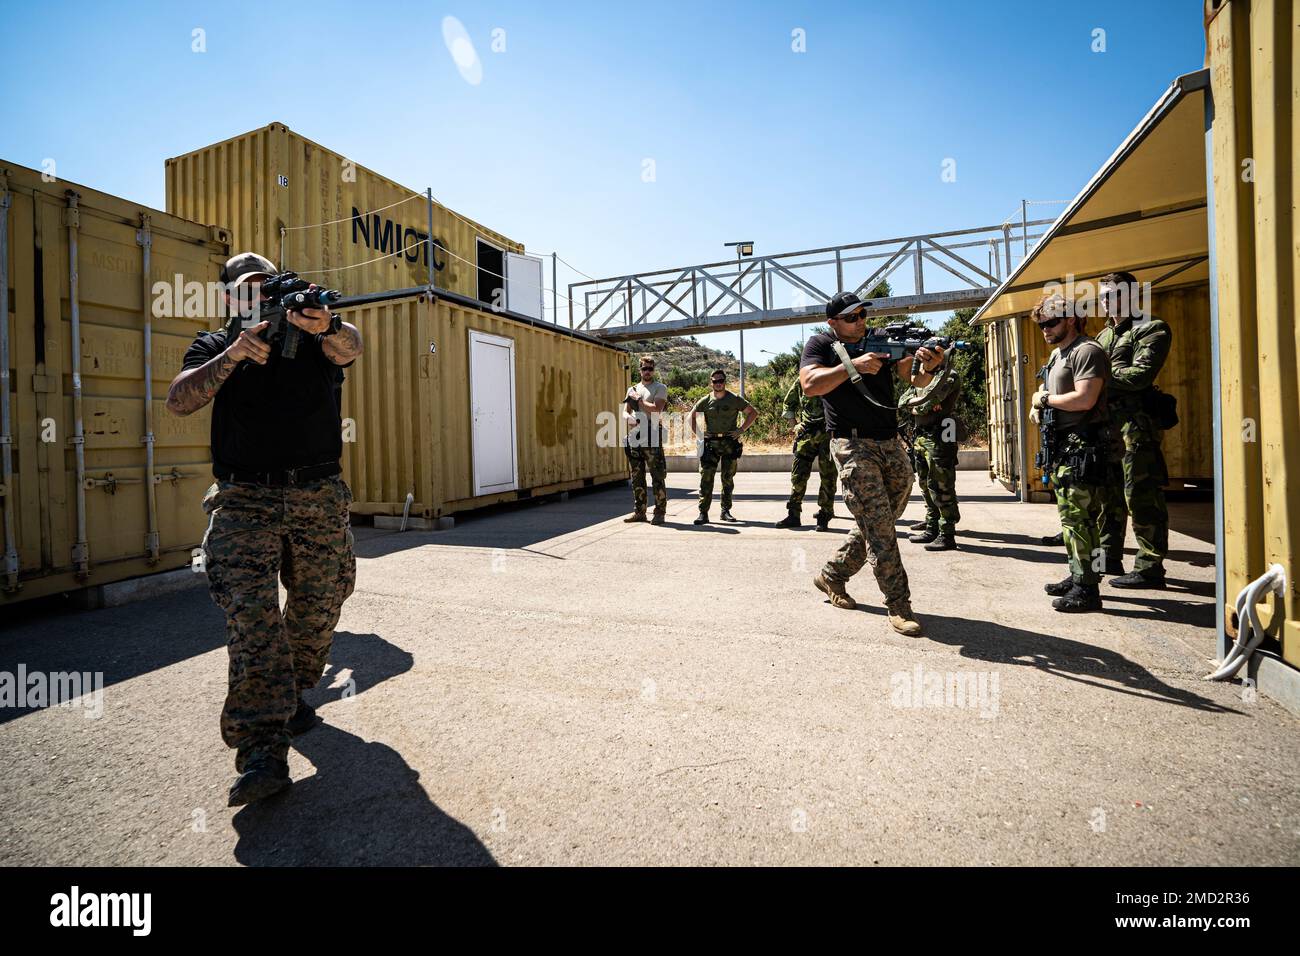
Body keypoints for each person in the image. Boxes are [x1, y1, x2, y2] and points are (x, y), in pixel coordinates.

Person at [166, 251, 364, 807]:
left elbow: (351, 348)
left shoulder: (314, 340)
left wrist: (329, 324)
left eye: (266, 286)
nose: (259, 296)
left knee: (320, 607)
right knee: (252, 619)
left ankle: (290, 690)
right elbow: (179, 400)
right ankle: (261, 750)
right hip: (243, 497)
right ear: (230, 298)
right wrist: (235, 353)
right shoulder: (213, 345)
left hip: (317, 495)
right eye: (247, 288)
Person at [799, 291, 940, 636]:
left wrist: (929, 366)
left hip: (890, 442)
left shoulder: (880, 340)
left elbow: (915, 379)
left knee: (878, 518)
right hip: (851, 443)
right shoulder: (820, 344)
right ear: (832, 322)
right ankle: (898, 604)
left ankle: (832, 574)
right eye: (852, 317)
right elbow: (810, 385)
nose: (860, 321)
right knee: (879, 525)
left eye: (862, 314)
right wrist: (853, 367)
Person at [1029, 292, 1110, 613]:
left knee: (1080, 518)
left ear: (1072, 319)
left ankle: (1087, 588)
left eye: (1052, 322)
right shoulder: (1059, 354)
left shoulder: (1086, 351)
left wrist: (1045, 399)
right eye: (1041, 324)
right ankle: (1078, 574)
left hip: (1084, 445)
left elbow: (1085, 398)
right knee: (1071, 518)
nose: (1046, 329)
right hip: (1064, 446)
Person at [1094, 271, 1173, 589]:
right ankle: (1109, 556)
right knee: (1107, 497)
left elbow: (1139, 376)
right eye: (1101, 297)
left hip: (1135, 428)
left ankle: (1150, 567)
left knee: (1141, 496)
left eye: (1111, 294)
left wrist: (1095, 377)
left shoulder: (1152, 328)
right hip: (1105, 427)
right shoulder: (1102, 337)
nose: (1105, 302)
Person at [899, 350, 963, 551]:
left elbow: (928, 403)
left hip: (940, 436)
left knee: (942, 485)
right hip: (921, 435)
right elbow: (903, 400)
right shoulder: (923, 379)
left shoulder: (949, 376)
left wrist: (919, 405)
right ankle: (932, 525)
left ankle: (947, 533)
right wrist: (917, 405)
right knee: (926, 483)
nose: (924, 361)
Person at [689, 370, 757, 524]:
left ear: (725, 381)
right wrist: (700, 434)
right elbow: (690, 417)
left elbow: (752, 413)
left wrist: (741, 430)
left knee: (727, 479)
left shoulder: (734, 399)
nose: (718, 383)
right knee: (706, 479)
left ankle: (725, 511)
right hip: (710, 443)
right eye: (715, 381)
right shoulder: (705, 401)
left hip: (729, 442)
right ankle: (703, 513)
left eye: (721, 380)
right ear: (711, 382)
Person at [775, 377, 836, 531]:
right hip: (807, 434)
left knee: (828, 477)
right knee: (798, 476)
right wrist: (794, 426)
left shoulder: (835, 375)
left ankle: (824, 515)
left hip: (828, 434)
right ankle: (793, 515)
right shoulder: (803, 379)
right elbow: (789, 403)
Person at [622, 356, 669, 525]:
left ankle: (659, 512)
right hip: (635, 434)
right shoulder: (632, 389)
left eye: (650, 369)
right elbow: (625, 412)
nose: (647, 371)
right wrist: (630, 419)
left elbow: (657, 409)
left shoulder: (660, 388)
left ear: (653, 370)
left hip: (652, 434)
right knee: (637, 477)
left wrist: (639, 400)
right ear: (639, 370)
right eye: (644, 369)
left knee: (657, 476)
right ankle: (640, 512)